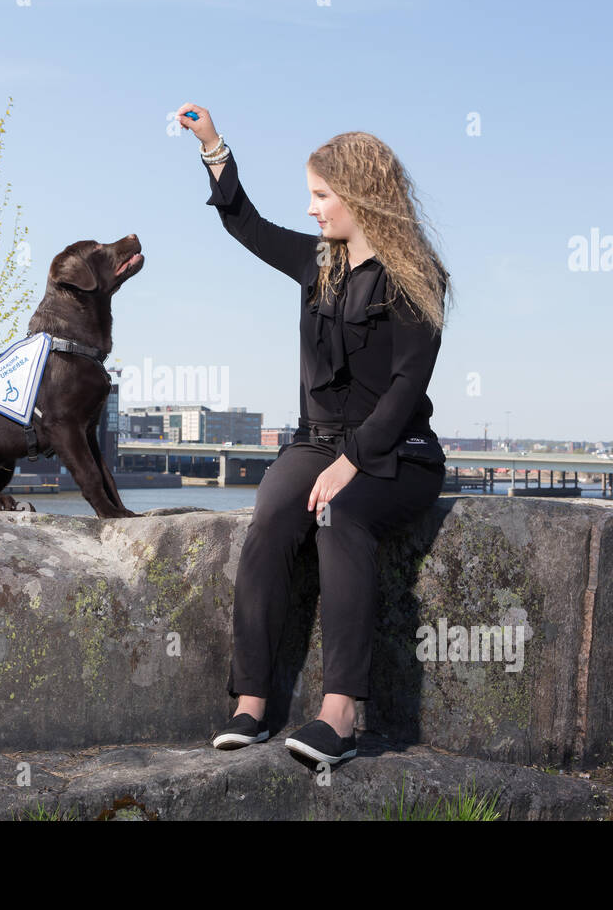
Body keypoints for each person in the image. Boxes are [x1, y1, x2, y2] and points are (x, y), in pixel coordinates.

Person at [176, 103, 453, 766]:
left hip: (397, 451)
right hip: (317, 438)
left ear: (361, 196)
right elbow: (244, 223)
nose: (312, 210)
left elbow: (404, 391)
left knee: (338, 514)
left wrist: (352, 463)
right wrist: (213, 145)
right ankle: (252, 705)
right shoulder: (316, 263)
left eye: (322, 196)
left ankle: (341, 716)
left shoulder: (419, 281)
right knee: (271, 516)